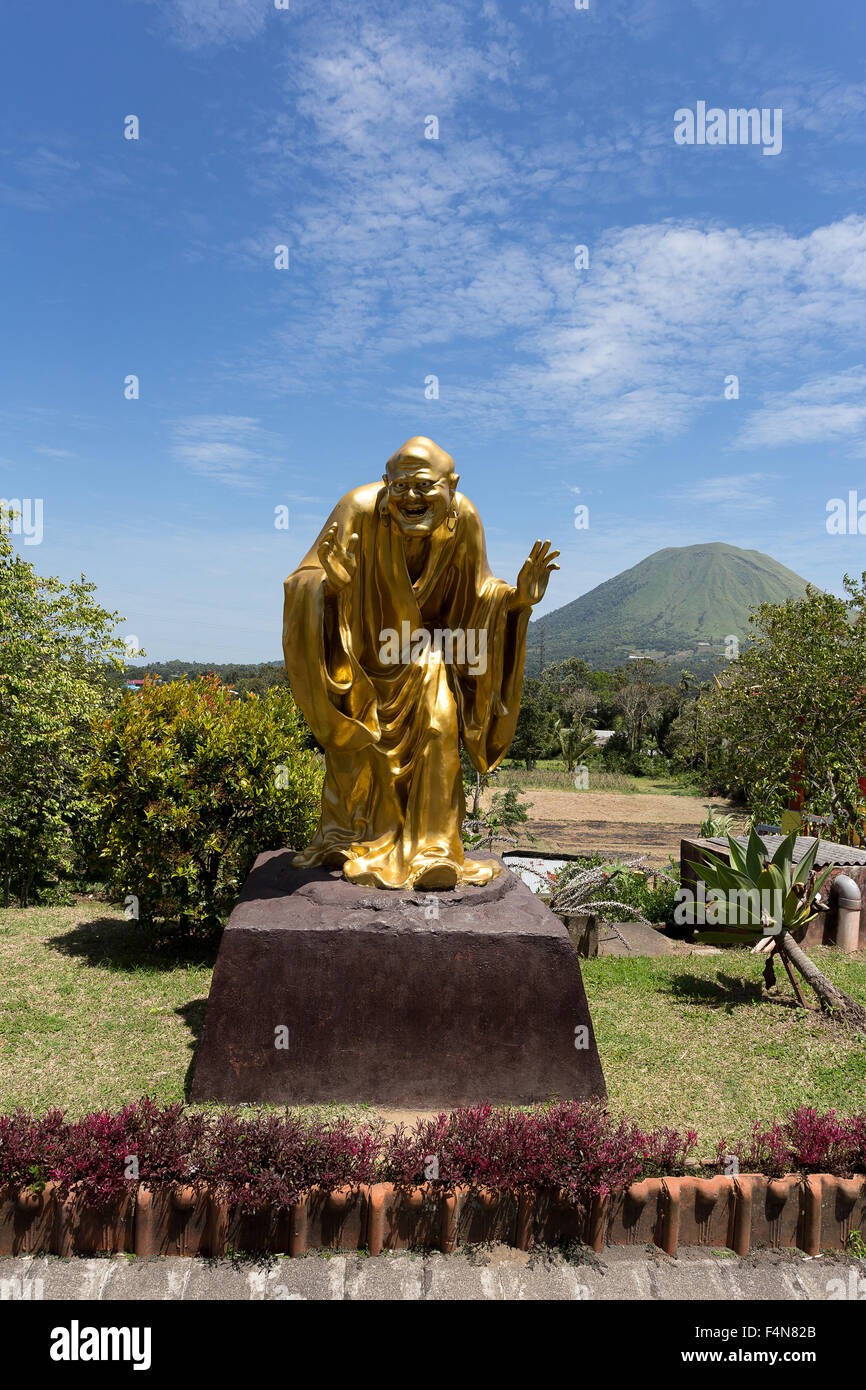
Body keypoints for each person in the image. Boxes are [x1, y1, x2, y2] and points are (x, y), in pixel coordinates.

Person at [282, 435, 558, 890]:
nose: (411, 498)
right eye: (400, 487)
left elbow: (478, 594)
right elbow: (303, 580)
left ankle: (434, 850)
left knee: (440, 718)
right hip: (363, 657)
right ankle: (354, 837)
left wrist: (516, 601)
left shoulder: (464, 519)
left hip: (428, 654)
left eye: (424, 486)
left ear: (451, 486)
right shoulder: (357, 508)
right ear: (385, 484)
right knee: (358, 742)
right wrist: (331, 589)